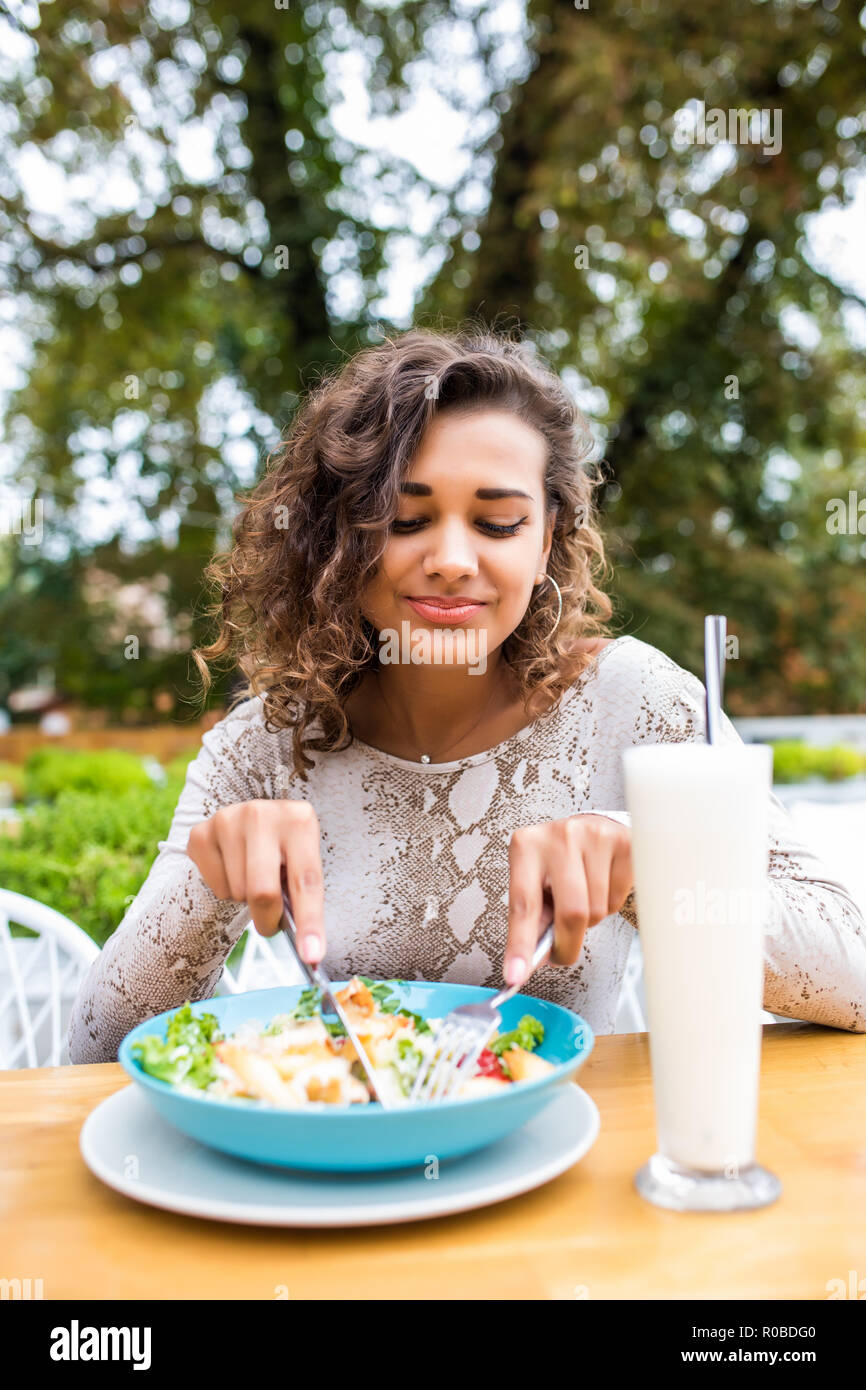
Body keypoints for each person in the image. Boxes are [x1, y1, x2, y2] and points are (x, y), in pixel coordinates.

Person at [67, 326, 866, 1063]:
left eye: (497, 524)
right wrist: (209, 890)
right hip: (353, 1165)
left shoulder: (635, 699)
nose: (451, 558)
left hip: (578, 1170)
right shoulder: (267, 743)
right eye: (406, 520)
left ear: (546, 537)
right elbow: (92, 1054)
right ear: (342, 536)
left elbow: (853, 973)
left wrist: (649, 864)